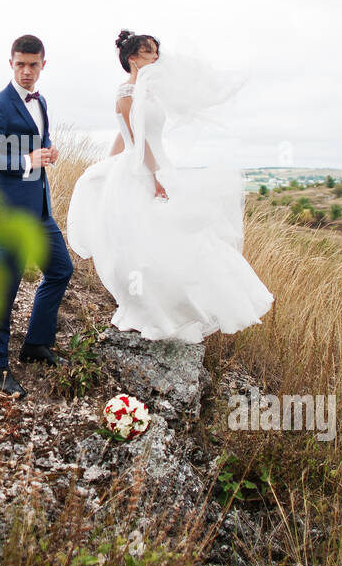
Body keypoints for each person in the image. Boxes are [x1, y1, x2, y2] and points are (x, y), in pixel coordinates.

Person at [66, 30, 273, 342]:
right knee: (142, 244)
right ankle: (147, 312)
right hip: (142, 172)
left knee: (175, 241)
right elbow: (132, 140)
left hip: (159, 166)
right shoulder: (125, 93)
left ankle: (176, 311)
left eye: (156, 51)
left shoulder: (149, 95)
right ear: (132, 58)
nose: (155, 57)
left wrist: (157, 172)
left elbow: (129, 133)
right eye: (149, 52)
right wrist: (150, 176)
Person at [0, 34, 73, 398]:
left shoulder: (41, 101)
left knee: (62, 269)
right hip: (10, 212)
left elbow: (37, 140)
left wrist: (46, 150)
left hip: (39, 208)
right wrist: (25, 160)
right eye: (20, 64)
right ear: (11, 63)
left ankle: (36, 344)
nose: (27, 71)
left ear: (43, 64)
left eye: (33, 65)